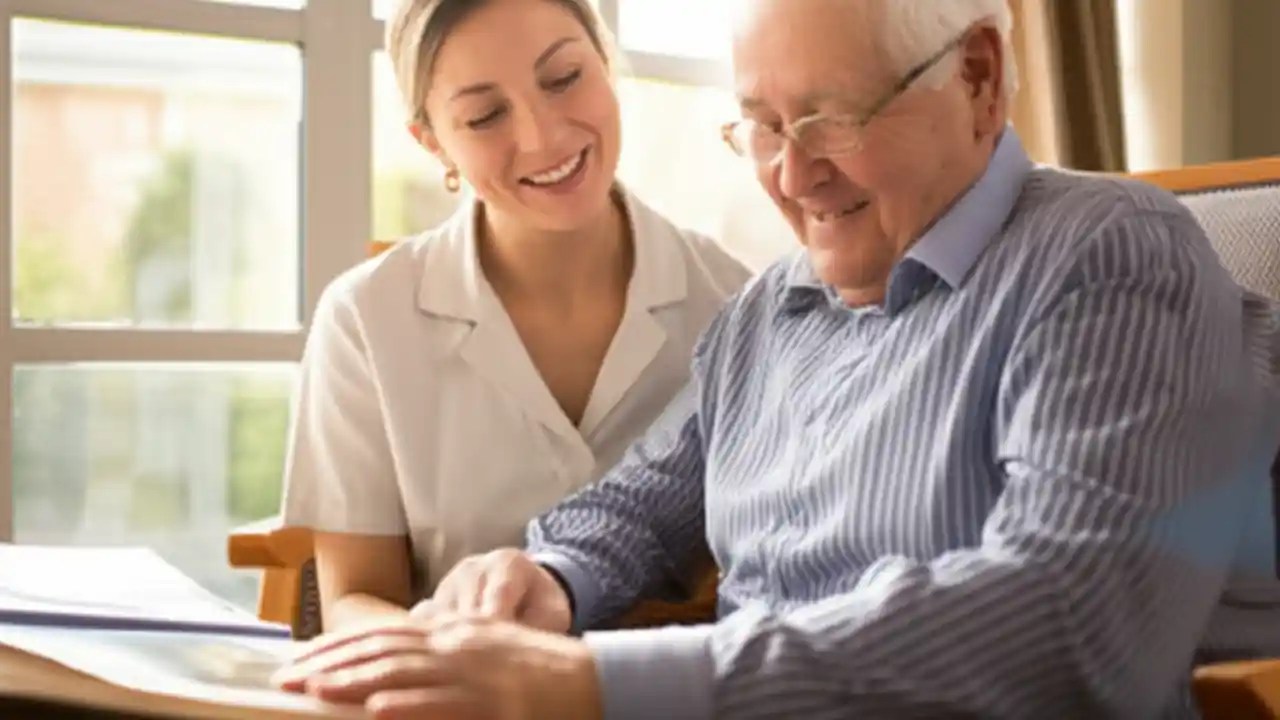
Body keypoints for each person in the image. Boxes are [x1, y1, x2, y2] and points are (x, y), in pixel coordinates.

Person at [274, 0, 1280, 717]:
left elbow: (1071, 618)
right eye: (757, 128)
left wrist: (592, 686)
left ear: (976, 76)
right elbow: (639, 503)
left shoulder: (1107, 255)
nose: (791, 177)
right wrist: (542, 577)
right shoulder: (768, 309)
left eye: (827, 119)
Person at [278, 0, 751, 633]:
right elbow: (354, 602)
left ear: (607, 65)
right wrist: (456, 666)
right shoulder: (365, 320)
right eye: (484, 116)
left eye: (564, 79)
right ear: (433, 143)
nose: (542, 136)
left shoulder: (735, 302)